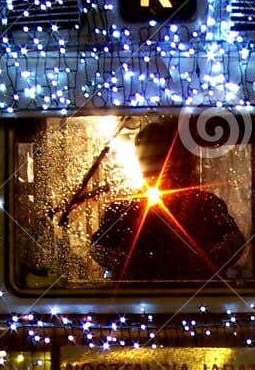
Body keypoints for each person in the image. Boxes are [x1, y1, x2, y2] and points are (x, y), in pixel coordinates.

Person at [90, 121, 247, 283]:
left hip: (198, 300)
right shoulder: (124, 210)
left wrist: (198, 262)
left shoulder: (206, 205)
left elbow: (234, 243)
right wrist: (137, 263)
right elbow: (99, 248)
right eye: (145, 158)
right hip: (136, 301)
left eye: (159, 158)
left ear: (178, 160)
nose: (152, 166)